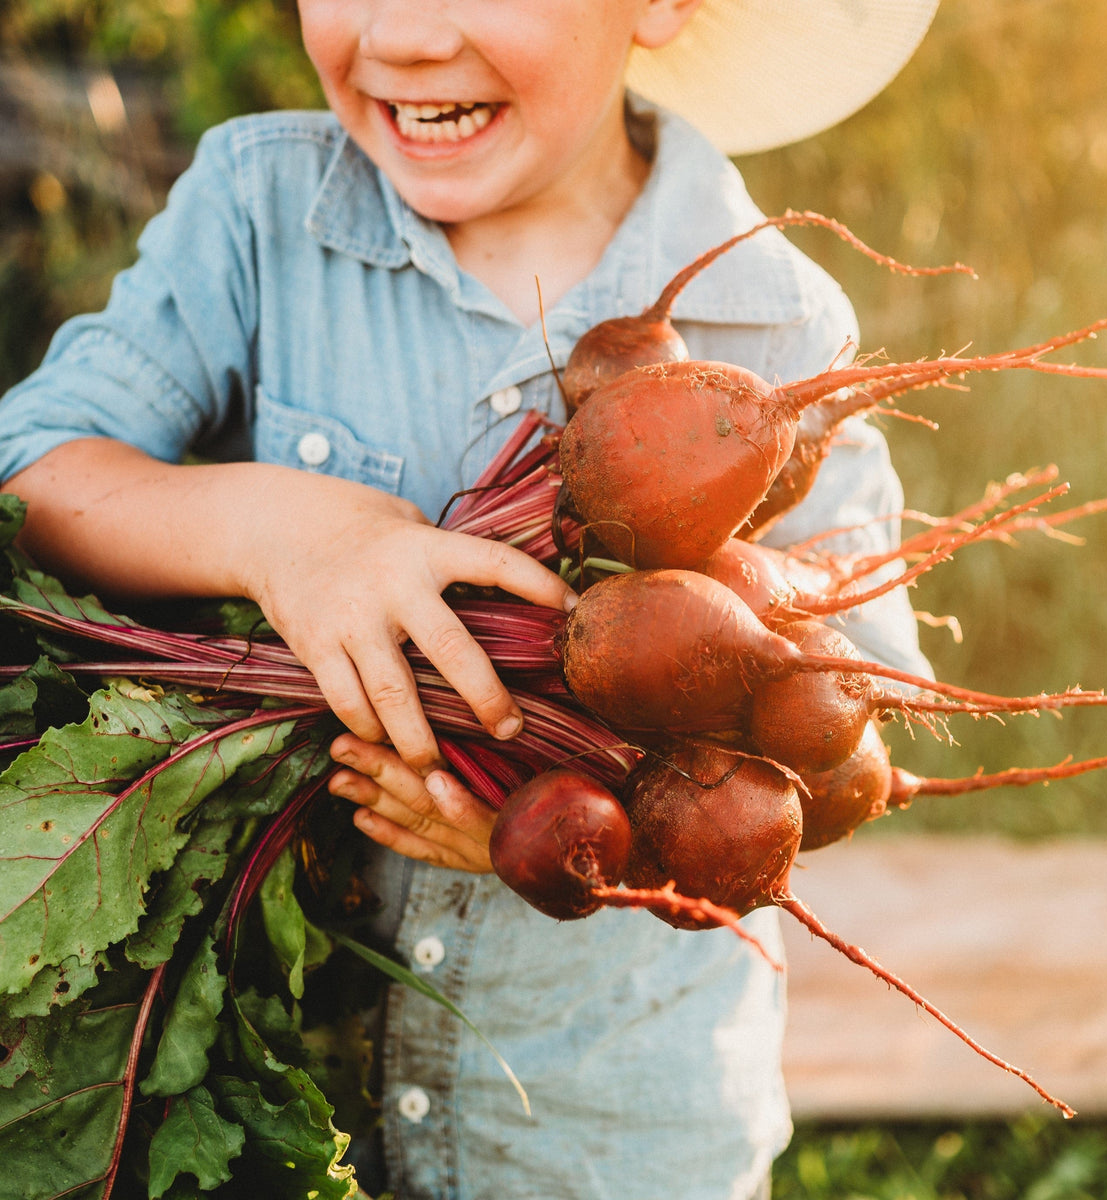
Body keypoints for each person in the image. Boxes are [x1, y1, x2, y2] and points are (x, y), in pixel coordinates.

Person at [0, 1, 938, 1196]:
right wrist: (283, 532)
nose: (402, 33)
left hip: (608, 1129)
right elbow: (33, 474)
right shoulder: (258, 209)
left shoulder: (783, 321)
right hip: (292, 1064)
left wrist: (584, 825)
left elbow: (841, 744)